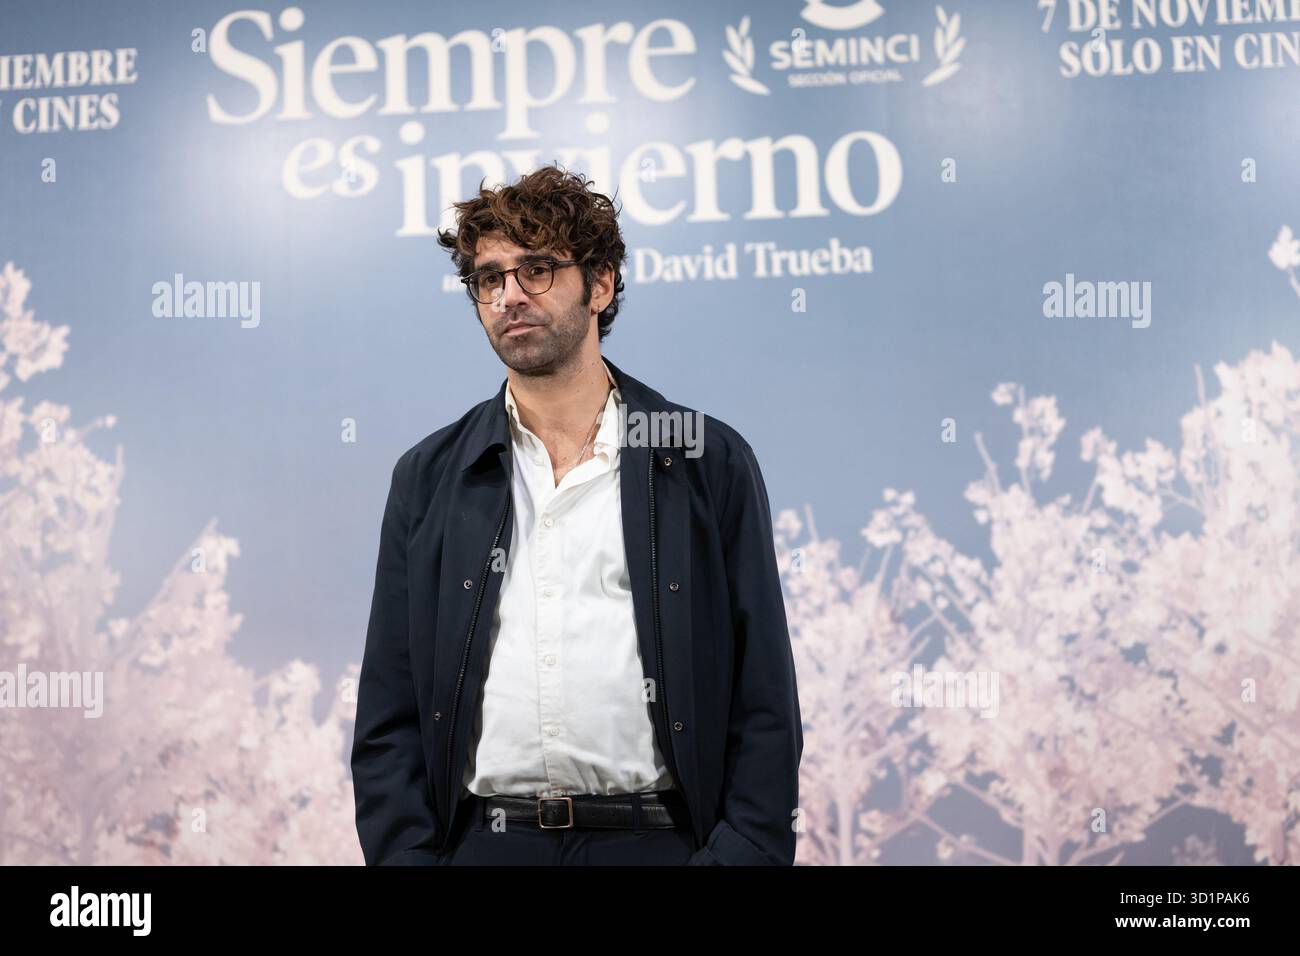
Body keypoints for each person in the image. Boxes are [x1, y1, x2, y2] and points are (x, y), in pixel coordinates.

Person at [351, 163, 803, 865]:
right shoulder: (430, 476)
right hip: (487, 845)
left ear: (600, 284)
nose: (509, 296)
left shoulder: (703, 459)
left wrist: (741, 852)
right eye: (489, 278)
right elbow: (389, 709)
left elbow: (764, 697)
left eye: (536, 270)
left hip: (656, 843)